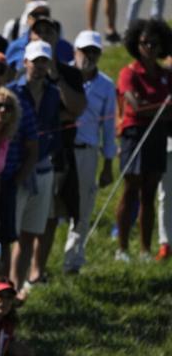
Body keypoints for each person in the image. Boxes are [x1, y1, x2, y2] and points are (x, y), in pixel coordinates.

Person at [4, 42, 86, 286]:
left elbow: (72, 112)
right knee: (13, 233)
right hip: (18, 170)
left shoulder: (52, 93)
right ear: (25, 62)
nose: (40, 67)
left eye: (44, 61)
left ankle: (19, 285)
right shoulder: (12, 93)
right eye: (35, 61)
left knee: (31, 232)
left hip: (44, 168)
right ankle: (7, 283)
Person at [115, 19, 172, 261]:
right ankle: (122, 248)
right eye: (143, 43)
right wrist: (163, 107)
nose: (148, 47)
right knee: (131, 190)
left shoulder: (165, 75)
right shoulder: (129, 73)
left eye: (153, 43)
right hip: (134, 134)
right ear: (135, 44)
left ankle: (146, 249)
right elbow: (135, 106)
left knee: (149, 193)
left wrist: (161, 109)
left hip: (158, 135)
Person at [64, 31, 116, 273]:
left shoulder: (106, 85)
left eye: (95, 51)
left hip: (87, 152)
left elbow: (108, 126)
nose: (90, 56)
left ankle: (73, 259)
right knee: (53, 209)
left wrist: (107, 163)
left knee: (82, 208)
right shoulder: (62, 75)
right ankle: (38, 266)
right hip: (61, 149)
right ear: (76, 51)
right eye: (86, 51)